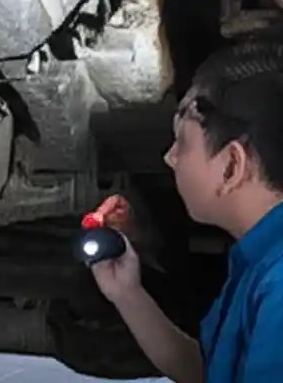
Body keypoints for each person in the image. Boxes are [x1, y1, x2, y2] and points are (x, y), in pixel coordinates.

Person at [90, 34, 283, 382]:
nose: (170, 157)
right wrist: (127, 292)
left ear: (231, 167)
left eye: (182, 142)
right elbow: (207, 373)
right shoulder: (261, 261)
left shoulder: (279, 284)